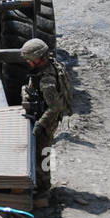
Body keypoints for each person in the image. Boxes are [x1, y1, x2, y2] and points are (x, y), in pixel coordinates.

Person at [21, 38, 73, 205]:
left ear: (38, 59)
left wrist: (39, 125)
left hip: (48, 120)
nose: (28, 62)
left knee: (42, 154)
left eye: (30, 59)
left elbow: (54, 108)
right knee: (40, 153)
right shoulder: (47, 66)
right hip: (44, 114)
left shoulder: (47, 80)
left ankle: (43, 192)